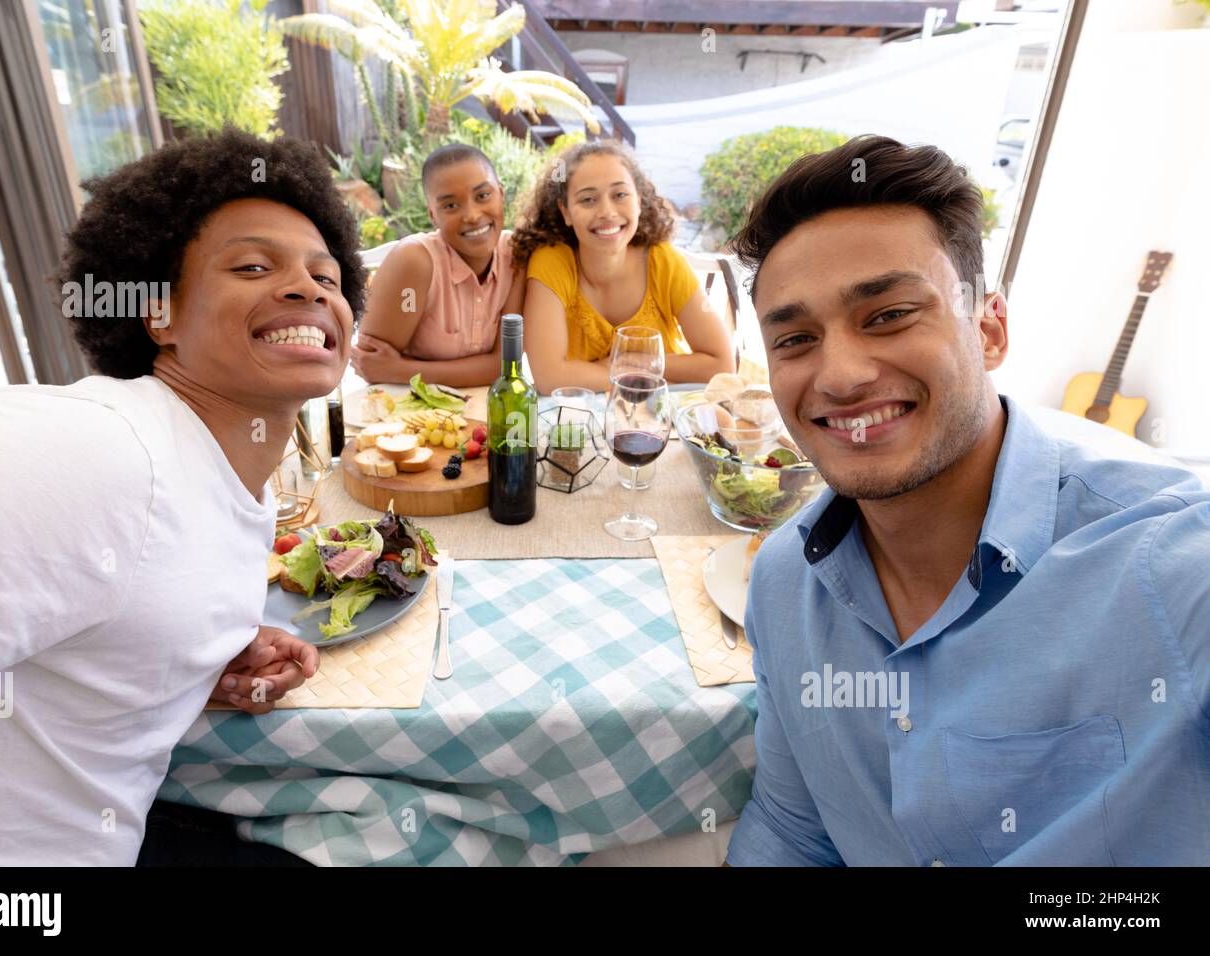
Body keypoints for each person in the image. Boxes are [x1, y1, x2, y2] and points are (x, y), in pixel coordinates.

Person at [725, 135, 1209, 866]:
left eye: (887, 314)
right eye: (795, 338)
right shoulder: (785, 580)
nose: (842, 375)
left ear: (989, 329)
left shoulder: (1174, 568)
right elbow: (795, 831)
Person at [0, 128, 368, 865]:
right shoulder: (94, 450)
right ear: (159, 313)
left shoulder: (223, 478)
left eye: (328, 277)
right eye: (253, 265)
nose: (307, 288)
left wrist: (181, 660)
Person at [512, 140, 735, 394]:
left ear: (639, 201)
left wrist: (636, 362)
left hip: (664, 421)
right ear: (566, 212)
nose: (607, 211)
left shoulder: (662, 260)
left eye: (620, 195)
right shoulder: (552, 262)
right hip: (584, 426)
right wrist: (655, 382)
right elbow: (550, 378)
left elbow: (722, 365)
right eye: (587, 199)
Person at [351, 143, 523, 388]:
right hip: (408, 411)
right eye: (450, 205)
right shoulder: (415, 263)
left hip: (483, 412)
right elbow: (372, 366)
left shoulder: (516, 257)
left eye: (482, 196)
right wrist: (396, 372)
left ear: (501, 194)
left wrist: (402, 369)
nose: (472, 215)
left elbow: (504, 366)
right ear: (433, 215)